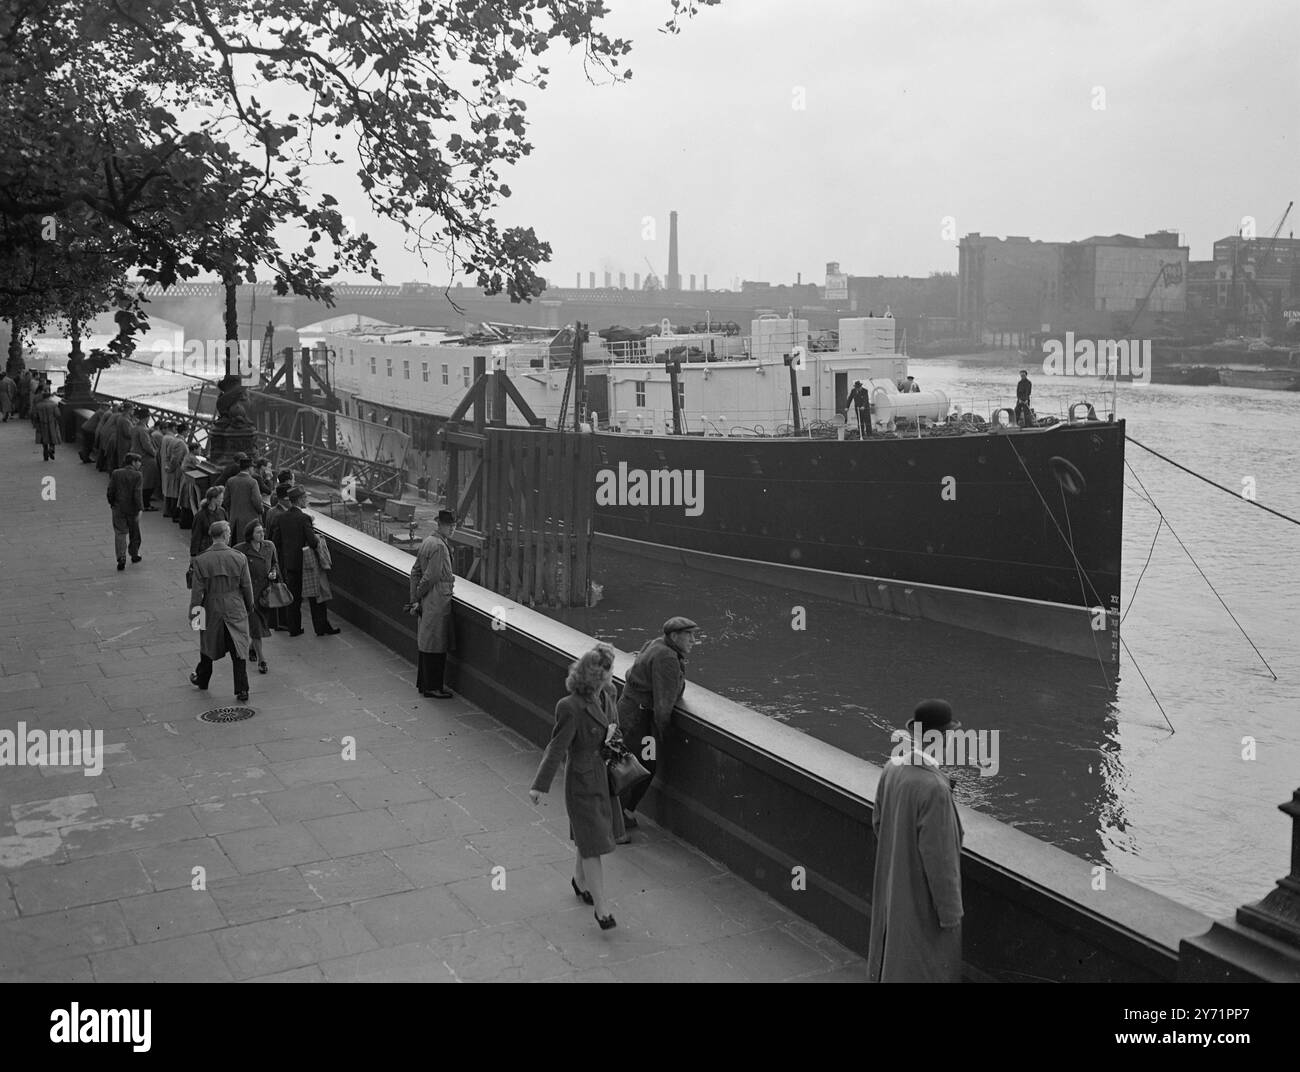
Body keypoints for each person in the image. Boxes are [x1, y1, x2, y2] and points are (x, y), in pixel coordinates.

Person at [867, 699, 965, 983]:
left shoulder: (892, 767)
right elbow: (941, 861)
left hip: (892, 888)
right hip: (921, 902)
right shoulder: (933, 788)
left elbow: (878, 821)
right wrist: (949, 916)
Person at [528, 644, 621, 930]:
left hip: (603, 776)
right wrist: (539, 786)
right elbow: (557, 747)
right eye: (609, 670)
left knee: (589, 835)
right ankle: (602, 908)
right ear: (598, 674)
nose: (612, 674)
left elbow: (614, 728)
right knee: (593, 842)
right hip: (581, 781)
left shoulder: (608, 694)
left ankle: (580, 882)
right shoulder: (569, 707)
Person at [614, 615, 698, 838]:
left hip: (627, 710)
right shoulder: (667, 658)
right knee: (641, 768)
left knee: (626, 764)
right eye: (688, 635)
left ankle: (620, 813)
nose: (694, 640)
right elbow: (663, 705)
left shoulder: (654, 644)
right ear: (674, 636)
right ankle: (620, 817)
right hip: (639, 718)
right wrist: (664, 732)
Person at [188, 520, 255, 703]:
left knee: (207, 643)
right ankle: (242, 690)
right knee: (239, 648)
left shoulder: (201, 560)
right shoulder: (239, 557)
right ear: (226, 535)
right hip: (235, 605)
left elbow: (197, 593)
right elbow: (247, 586)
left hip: (211, 606)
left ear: (212, 536)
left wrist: (195, 618)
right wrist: (249, 605)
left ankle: (203, 679)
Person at [408, 509, 456, 698]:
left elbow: (415, 572)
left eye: (454, 525)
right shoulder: (440, 547)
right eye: (449, 525)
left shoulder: (428, 541)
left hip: (429, 600)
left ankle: (424, 684)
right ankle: (434, 687)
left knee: (427, 643)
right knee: (436, 644)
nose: (452, 528)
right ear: (440, 525)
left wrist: (414, 598)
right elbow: (431, 577)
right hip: (438, 601)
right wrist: (419, 595)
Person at [269, 485, 325, 637]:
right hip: (306, 565)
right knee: (315, 596)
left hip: (289, 564)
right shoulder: (304, 518)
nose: (306, 500)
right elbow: (313, 542)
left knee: (293, 598)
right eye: (305, 498)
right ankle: (320, 628)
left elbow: (276, 541)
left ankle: (294, 629)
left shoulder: (281, 517)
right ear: (300, 500)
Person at [234, 520, 278, 675]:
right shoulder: (240, 550)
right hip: (250, 593)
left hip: (265, 594)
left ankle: (253, 648)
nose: (262, 534)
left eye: (262, 531)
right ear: (250, 534)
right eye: (258, 532)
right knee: (256, 628)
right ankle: (262, 660)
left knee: (261, 626)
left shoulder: (269, 546)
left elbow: (274, 564)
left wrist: (273, 573)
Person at [107, 451, 144, 570]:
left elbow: (110, 490)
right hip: (132, 509)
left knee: (120, 532)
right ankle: (134, 554)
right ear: (133, 462)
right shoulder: (137, 475)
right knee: (134, 533)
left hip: (118, 508)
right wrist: (140, 508)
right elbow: (137, 494)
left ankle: (121, 557)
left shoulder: (116, 473)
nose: (140, 464)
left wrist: (112, 503)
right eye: (139, 462)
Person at [301, 531, 341, 636]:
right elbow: (316, 546)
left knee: (314, 600)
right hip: (315, 570)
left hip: (304, 570)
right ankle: (322, 626)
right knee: (320, 600)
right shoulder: (314, 538)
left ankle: (320, 627)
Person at [222, 454, 264, 543]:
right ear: (249, 468)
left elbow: (226, 501)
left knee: (234, 544)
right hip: (249, 521)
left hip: (234, 519)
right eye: (252, 468)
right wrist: (261, 510)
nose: (253, 470)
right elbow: (256, 501)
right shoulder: (253, 482)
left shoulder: (231, 481)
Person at [131, 410, 160, 509]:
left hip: (138, 456)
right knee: (149, 481)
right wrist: (155, 453)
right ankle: (146, 504)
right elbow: (147, 445)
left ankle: (144, 501)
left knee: (143, 480)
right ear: (146, 417)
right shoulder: (143, 430)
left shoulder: (135, 428)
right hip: (146, 458)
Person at [190, 486, 228, 560]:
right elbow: (196, 535)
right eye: (220, 498)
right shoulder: (200, 515)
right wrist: (193, 554)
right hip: (206, 550)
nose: (222, 500)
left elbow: (227, 529)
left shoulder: (222, 511)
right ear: (214, 499)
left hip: (221, 549)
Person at [33, 391, 61, 460]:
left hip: (42, 424)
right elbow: (58, 414)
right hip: (52, 423)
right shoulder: (53, 404)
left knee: (44, 438)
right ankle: (51, 449)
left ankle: (45, 453)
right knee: (53, 437)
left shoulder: (38, 405)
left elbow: (35, 416)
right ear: (49, 397)